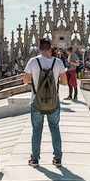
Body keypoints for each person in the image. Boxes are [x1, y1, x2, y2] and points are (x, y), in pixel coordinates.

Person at [23, 37, 68, 167]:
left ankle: (35, 159)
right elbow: (64, 82)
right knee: (55, 128)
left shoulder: (33, 61)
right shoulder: (58, 62)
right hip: (54, 102)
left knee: (37, 130)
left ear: (39, 48)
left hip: (36, 101)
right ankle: (57, 159)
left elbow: (25, 80)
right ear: (50, 48)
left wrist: (37, 82)